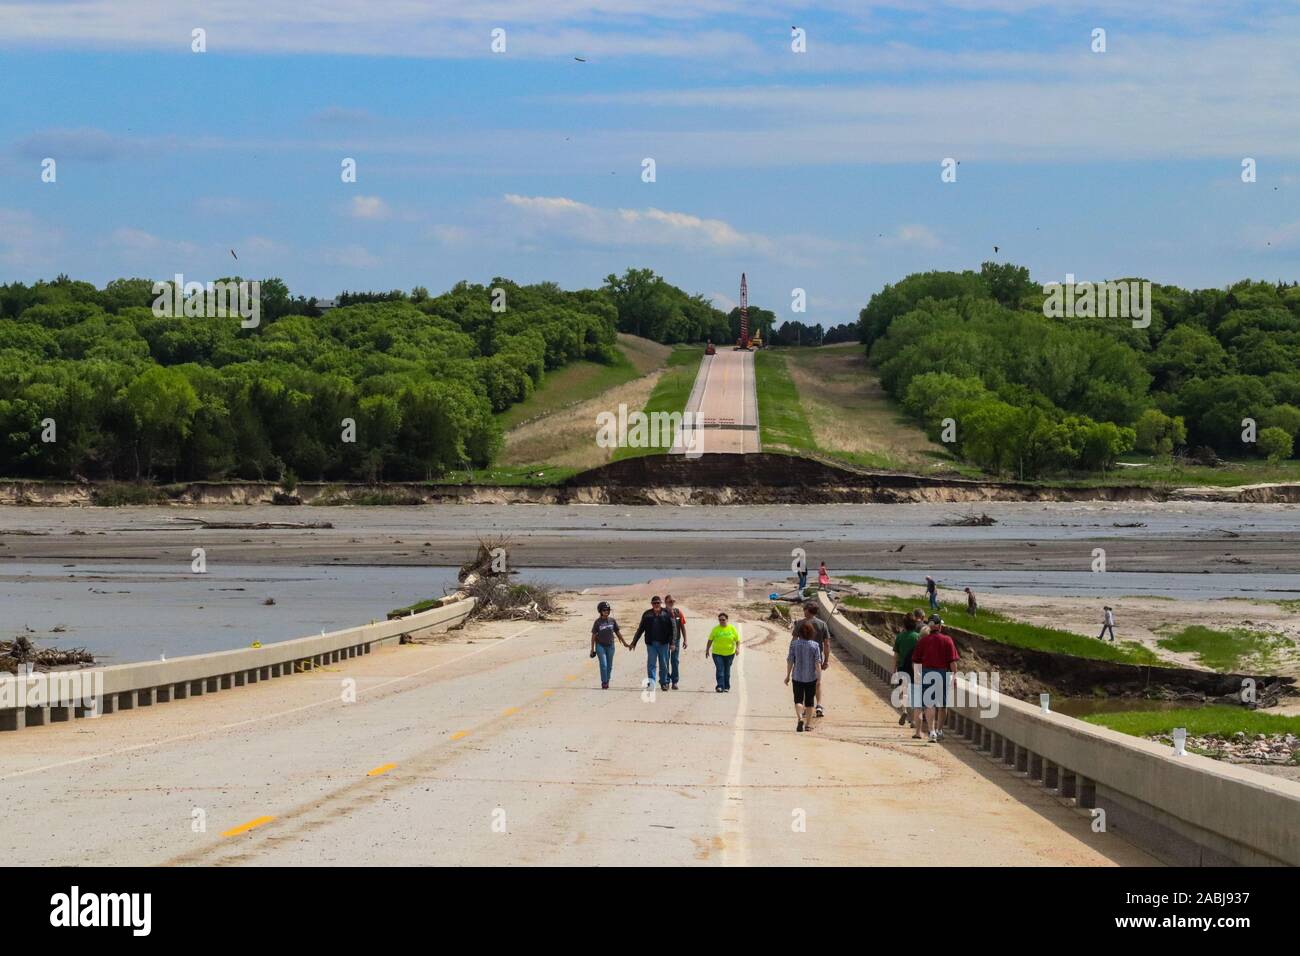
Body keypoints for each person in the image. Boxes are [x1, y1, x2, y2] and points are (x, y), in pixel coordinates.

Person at [914, 616, 960, 743]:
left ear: (929, 626)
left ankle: (931, 731)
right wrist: (955, 677)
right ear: (939, 626)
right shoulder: (947, 640)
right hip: (942, 673)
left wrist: (917, 676)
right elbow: (952, 662)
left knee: (929, 704)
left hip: (927, 673)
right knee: (942, 704)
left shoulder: (923, 641)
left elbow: (916, 661)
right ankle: (939, 730)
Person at [791, 603, 830, 717]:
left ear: (808, 610)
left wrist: (792, 657)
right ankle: (818, 705)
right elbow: (826, 644)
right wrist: (826, 660)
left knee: (802, 681)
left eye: (804, 609)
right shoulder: (822, 624)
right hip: (816, 656)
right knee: (817, 682)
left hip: (801, 656)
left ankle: (803, 708)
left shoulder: (800, 623)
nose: (803, 611)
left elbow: (794, 641)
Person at [785, 620, 824, 732]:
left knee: (798, 700)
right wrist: (819, 678)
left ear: (800, 633)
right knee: (810, 702)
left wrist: (787, 676)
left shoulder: (794, 644)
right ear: (811, 633)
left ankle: (800, 718)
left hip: (797, 677)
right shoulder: (815, 645)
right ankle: (808, 725)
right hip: (811, 678)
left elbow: (790, 661)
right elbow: (817, 663)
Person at [630, 595, 675, 690]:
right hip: (651, 644)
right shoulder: (647, 614)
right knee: (651, 664)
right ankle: (652, 683)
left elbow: (673, 629)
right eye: (654, 603)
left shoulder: (667, 613)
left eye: (658, 603)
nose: (656, 605)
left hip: (664, 643)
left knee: (664, 664)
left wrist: (672, 643)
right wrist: (634, 642)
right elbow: (640, 629)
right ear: (651, 604)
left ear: (661, 603)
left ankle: (664, 683)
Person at [893, 611, 924, 736]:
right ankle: (913, 720)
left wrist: (894, 669)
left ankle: (904, 710)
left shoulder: (900, 637)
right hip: (914, 668)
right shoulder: (917, 637)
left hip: (902, 667)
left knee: (903, 692)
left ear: (904, 625)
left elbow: (896, 655)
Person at [590, 601, 629, 689]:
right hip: (600, 646)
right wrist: (592, 649)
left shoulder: (612, 621)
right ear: (600, 611)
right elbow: (593, 636)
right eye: (604, 610)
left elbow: (617, 632)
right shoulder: (597, 622)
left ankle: (607, 680)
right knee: (604, 664)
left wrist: (624, 643)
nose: (606, 611)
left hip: (611, 646)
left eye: (608, 610)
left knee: (609, 665)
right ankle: (604, 682)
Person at [705, 611, 740, 693]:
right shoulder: (715, 629)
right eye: (720, 620)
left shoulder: (732, 629)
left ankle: (726, 686)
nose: (721, 621)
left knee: (727, 671)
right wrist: (707, 650)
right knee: (720, 669)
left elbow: (737, 640)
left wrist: (737, 649)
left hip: (729, 654)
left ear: (727, 620)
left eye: (723, 620)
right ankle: (720, 686)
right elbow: (710, 640)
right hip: (717, 653)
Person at [664, 594, 688, 689]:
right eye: (670, 601)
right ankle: (665, 681)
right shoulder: (662, 612)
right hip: (664, 641)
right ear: (665, 602)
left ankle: (674, 681)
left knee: (675, 661)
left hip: (676, 640)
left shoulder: (678, 612)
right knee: (665, 661)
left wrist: (685, 640)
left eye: (673, 601)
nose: (672, 603)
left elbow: (682, 627)